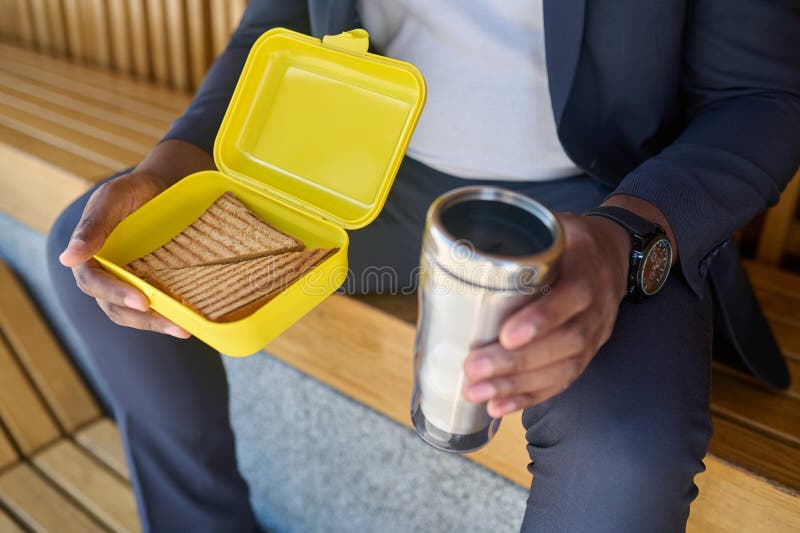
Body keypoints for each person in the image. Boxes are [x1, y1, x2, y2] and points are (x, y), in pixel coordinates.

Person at [47, 1, 799, 532]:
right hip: (362, 172)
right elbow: (277, 18)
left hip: (609, 199)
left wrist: (628, 237)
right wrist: (178, 159)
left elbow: (761, 96)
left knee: (625, 449)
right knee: (105, 264)